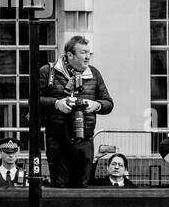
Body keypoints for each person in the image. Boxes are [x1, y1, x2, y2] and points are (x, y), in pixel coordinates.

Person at [39, 35, 114, 188]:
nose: (88, 56)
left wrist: (96, 105)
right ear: (70, 55)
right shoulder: (48, 72)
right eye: (83, 52)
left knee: (82, 185)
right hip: (57, 138)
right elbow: (34, 101)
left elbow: (109, 103)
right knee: (60, 185)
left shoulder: (94, 73)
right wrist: (56, 103)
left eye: (89, 52)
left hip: (84, 138)